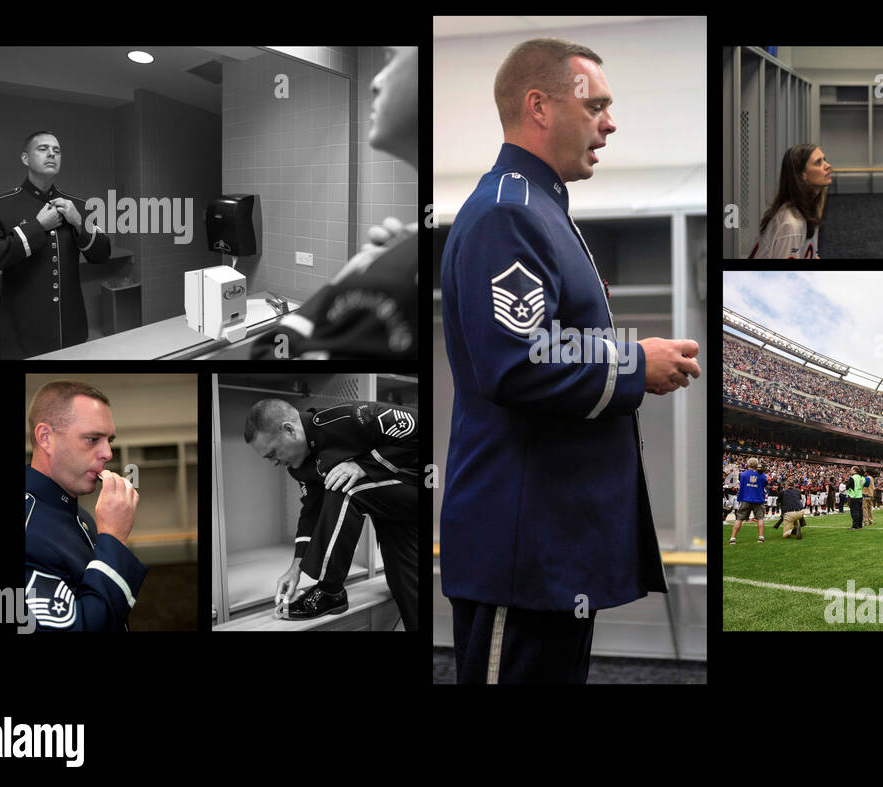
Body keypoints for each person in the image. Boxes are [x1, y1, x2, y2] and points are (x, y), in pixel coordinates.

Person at [438, 38, 701, 683]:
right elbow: (517, 364)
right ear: (539, 106)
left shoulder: (541, 207)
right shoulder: (510, 213)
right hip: (521, 547)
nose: (610, 123)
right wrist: (636, 365)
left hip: (551, 543)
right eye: (597, 105)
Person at [250, 46, 419, 359]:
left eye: (391, 58)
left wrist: (341, 284)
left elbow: (268, 354)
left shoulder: (393, 278)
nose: (375, 82)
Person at [244, 398, 418, 630]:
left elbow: (417, 426)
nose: (273, 462)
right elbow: (312, 512)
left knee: (345, 490)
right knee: (405, 585)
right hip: (388, 505)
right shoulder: (300, 467)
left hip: (419, 481)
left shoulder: (350, 417)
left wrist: (363, 466)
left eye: (273, 453)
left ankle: (330, 591)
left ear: (289, 429)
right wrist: (296, 566)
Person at [0, 132, 112, 359]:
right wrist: (37, 227)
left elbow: (103, 254)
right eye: (43, 149)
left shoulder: (79, 206)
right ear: (25, 158)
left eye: (57, 151)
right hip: (19, 336)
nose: (51, 154)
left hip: (71, 330)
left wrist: (78, 222)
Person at [26, 381, 145, 631]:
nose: (108, 453)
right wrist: (112, 537)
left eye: (109, 440)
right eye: (92, 439)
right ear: (46, 438)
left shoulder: (82, 516)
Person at [748, 144, 831, 259]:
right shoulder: (792, 225)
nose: (827, 166)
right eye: (818, 162)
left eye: (825, 160)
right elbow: (784, 276)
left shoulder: (806, 208)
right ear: (802, 175)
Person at [733, 457, 768, 545]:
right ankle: (761, 537)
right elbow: (765, 483)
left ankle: (732, 538)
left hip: (745, 498)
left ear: (747, 464)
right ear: (757, 465)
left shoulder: (742, 474)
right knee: (760, 518)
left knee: (739, 518)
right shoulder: (763, 475)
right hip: (758, 499)